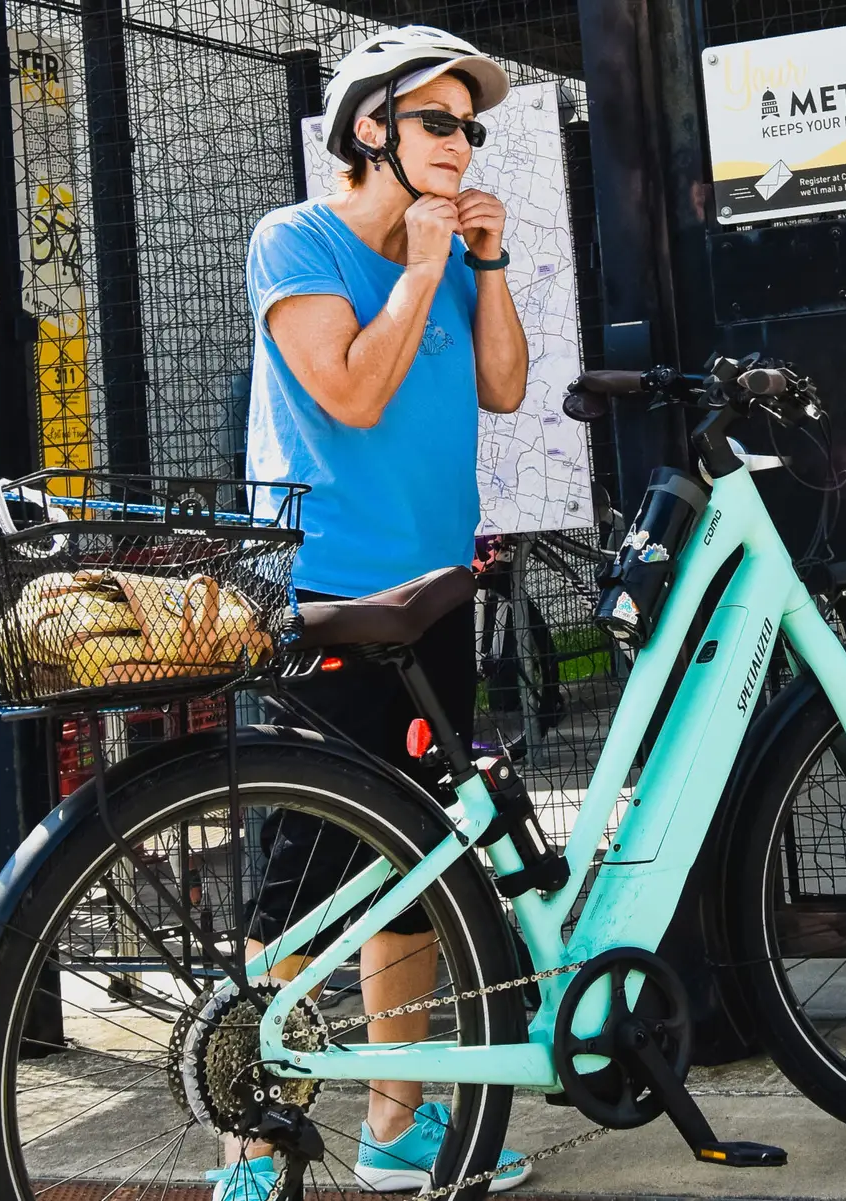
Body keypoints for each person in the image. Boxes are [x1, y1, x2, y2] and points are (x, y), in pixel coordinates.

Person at [216, 25, 530, 1201]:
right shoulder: (294, 239)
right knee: (300, 876)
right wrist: (415, 266)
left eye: (470, 126)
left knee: (414, 862)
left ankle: (396, 1126)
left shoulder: (448, 254)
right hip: (326, 599)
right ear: (368, 130)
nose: (461, 143)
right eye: (438, 122)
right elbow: (344, 390)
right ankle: (250, 1144)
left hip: (433, 594)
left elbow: (503, 385)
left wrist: (483, 264)